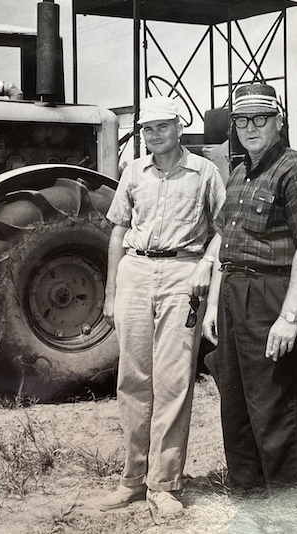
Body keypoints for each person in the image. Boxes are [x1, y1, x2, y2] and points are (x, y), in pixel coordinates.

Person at [100, 95, 226, 521]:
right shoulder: (133, 171)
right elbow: (118, 230)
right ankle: (132, 479)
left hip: (182, 274)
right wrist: (111, 290)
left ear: (179, 127)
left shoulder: (205, 172)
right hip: (136, 272)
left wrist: (206, 265)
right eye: (147, 129)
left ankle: (165, 484)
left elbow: (223, 229)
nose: (155, 136)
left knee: (173, 382)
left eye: (163, 127)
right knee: (133, 379)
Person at [201, 82, 297, 489]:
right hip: (235, 297)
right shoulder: (239, 173)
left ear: (279, 121)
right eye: (242, 120)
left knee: (277, 413)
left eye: (261, 118)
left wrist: (289, 317)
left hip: (272, 296)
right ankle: (248, 507)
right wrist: (214, 307)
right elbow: (226, 245)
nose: (251, 127)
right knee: (236, 411)